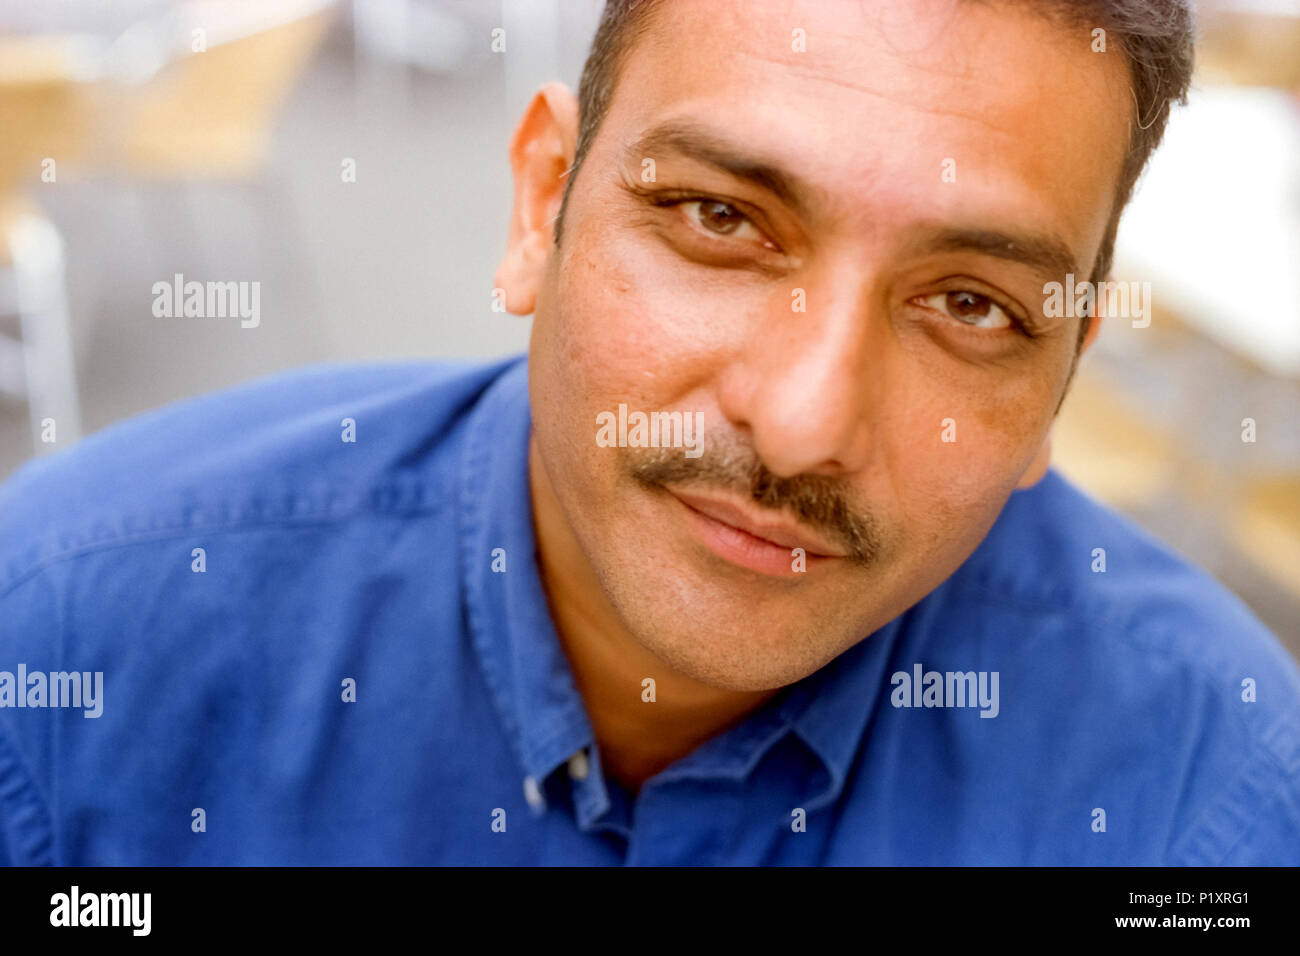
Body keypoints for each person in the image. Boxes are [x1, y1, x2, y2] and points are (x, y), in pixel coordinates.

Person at [2, 0, 1297, 865]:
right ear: (542, 206)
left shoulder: (1211, 798)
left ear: (1062, 383)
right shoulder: (65, 665)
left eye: (971, 304)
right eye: (721, 221)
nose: (800, 427)